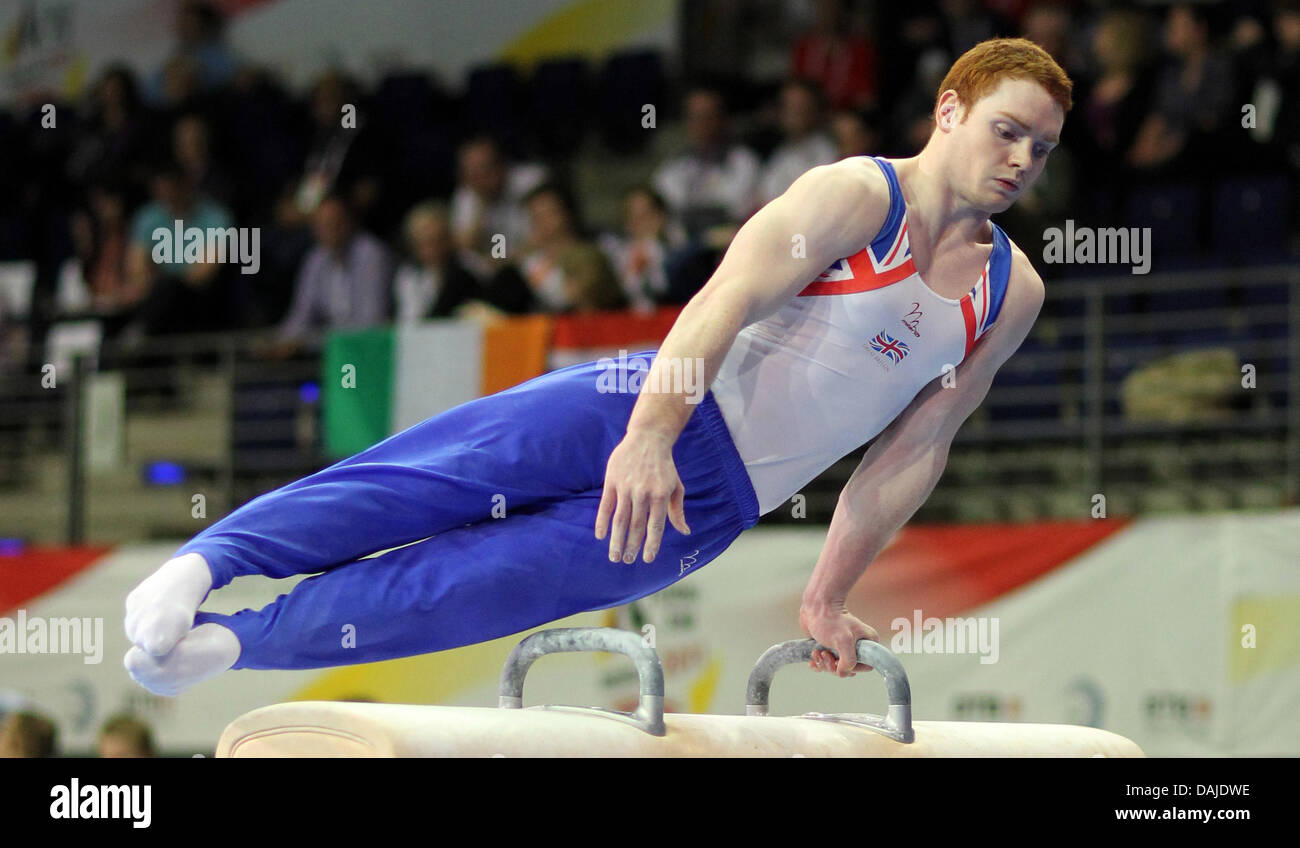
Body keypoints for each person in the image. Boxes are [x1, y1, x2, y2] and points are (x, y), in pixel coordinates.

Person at [123, 37, 1067, 692]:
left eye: (1043, 146)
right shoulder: (858, 195)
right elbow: (722, 301)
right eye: (1007, 129)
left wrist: (826, 597)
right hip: (643, 400)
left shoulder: (1009, 294)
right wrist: (652, 434)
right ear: (950, 109)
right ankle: (212, 562)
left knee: (461, 593)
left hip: (717, 505)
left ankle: (235, 645)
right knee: (429, 480)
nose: (1022, 158)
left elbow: (918, 446)